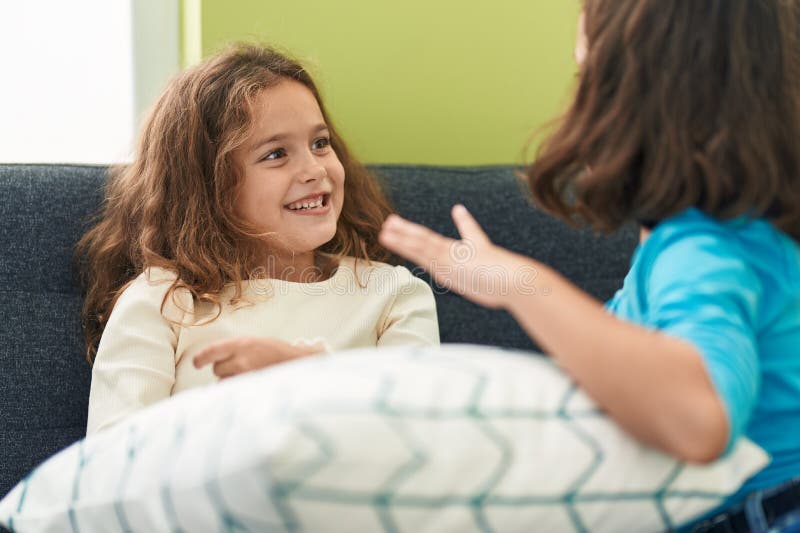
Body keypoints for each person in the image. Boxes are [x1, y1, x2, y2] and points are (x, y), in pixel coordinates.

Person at [379, 1, 800, 531]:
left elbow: (699, 418)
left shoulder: (703, 250)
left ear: (656, 96)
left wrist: (521, 283)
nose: (575, 101)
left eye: (586, 74)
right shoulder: (727, 237)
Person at [77, 44, 439, 436]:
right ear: (209, 187)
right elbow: (113, 460)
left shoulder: (393, 295)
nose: (315, 169)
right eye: (276, 154)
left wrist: (312, 377)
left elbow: (421, 439)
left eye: (320, 143)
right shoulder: (160, 302)